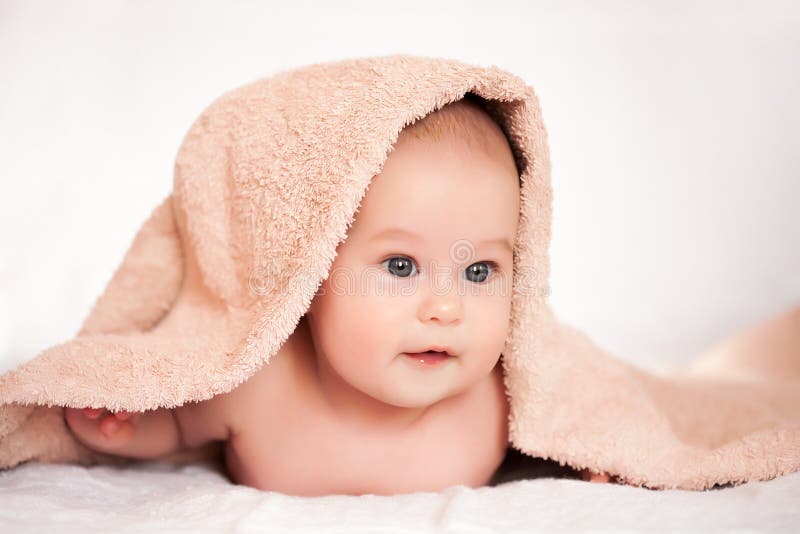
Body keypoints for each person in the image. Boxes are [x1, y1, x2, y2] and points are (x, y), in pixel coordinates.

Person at [64, 95, 611, 495]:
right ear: (313, 270)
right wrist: (122, 427)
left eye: (480, 272)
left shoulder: (505, 396)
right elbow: (178, 425)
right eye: (401, 266)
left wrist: (589, 458)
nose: (446, 308)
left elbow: (582, 418)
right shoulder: (259, 384)